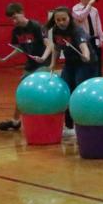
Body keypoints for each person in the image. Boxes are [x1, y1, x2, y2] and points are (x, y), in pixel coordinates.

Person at [32, 7, 94, 138]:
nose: (61, 22)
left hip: (85, 63)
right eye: (58, 20)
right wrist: (52, 64)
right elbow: (57, 48)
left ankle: (81, 125)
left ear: (69, 18)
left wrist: (86, 55)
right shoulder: (56, 30)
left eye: (64, 19)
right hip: (70, 63)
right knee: (66, 91)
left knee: (78, 91)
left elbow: (84, 47)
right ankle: (69, 126)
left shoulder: (77, 30)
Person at [0, 3, 49, 132]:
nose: (14, 21)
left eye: (15, 17)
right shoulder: (16, 31)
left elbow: (48, 44)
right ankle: (15, 121)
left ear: (22, 12)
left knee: (37, 91)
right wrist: (5, 59)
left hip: (43, 64)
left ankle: (43, 119)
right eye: (11, 19)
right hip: (30, 65)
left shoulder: (36, 26)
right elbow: (19, 47)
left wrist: (43, 57)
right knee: (21, 92)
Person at [72, 0, 103, 76]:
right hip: (83, 40)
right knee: (85, 62)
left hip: (94, 39)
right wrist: (90, 4)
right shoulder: (75, 9)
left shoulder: (94, 10)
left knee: (97, 62)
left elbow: (98, 25)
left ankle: (97, 78)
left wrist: (101, 38)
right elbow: (81, 17)